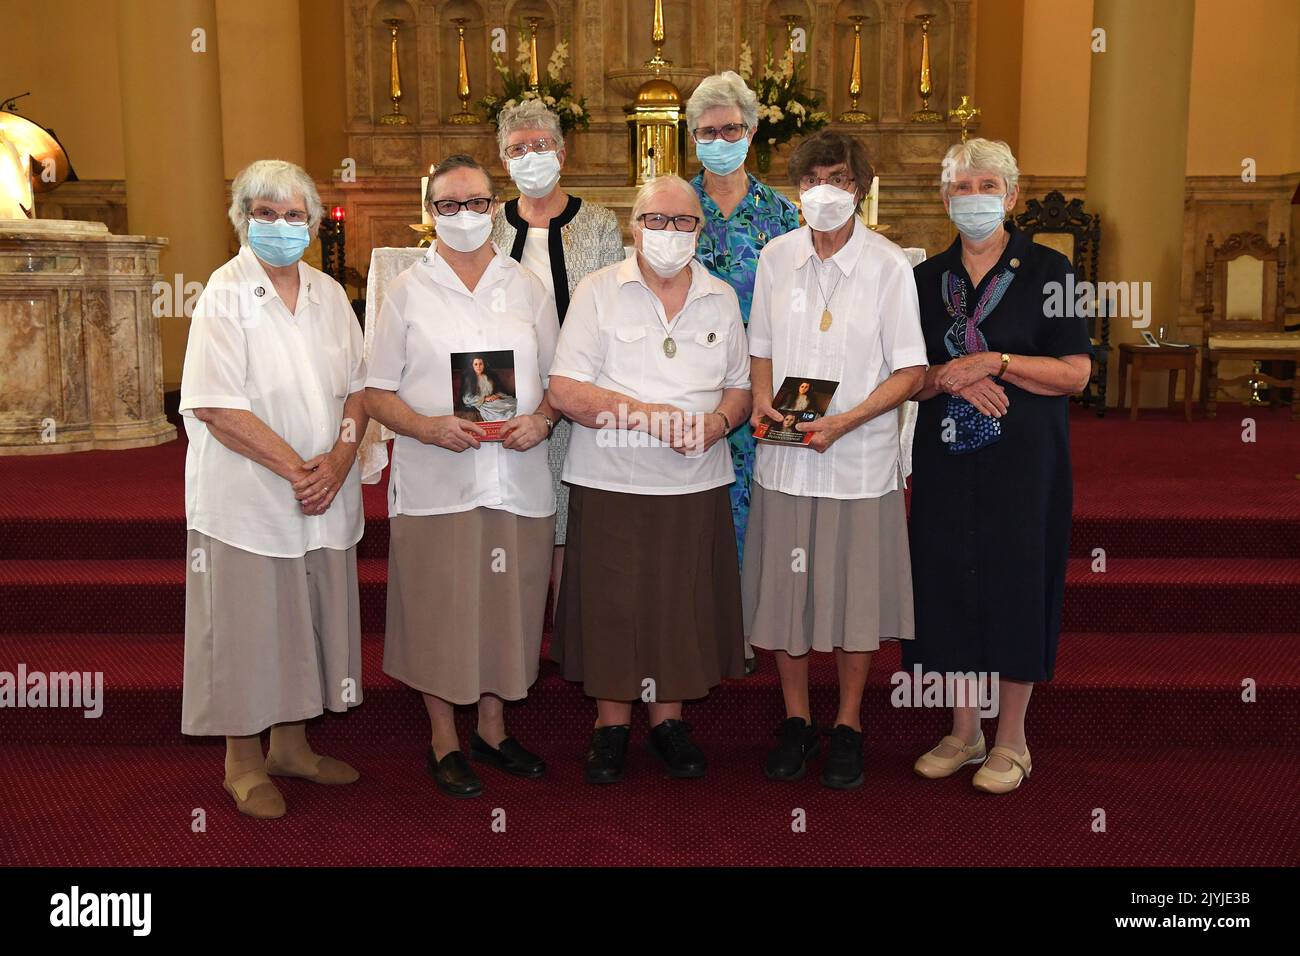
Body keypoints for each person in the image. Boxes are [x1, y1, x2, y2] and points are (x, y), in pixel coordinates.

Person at [364, 154, 560, 799]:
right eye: (449, 205)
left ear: (494, 207)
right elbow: (376, 391)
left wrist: (542, 418)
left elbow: (561, 380)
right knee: (440, 608)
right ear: (431, 213)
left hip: (515, 472)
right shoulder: (406, 292)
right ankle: (444, 738)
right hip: (438, 477)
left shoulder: (527, 286)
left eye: (476, 203)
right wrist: (425, 427)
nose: (465, 216)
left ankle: (495, 731)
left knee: (509, 606)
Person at [179, 159, 368, 819]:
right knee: (250, 625)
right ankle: (243, 762)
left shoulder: (328, 293)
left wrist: (342, 458)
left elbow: (359, 389)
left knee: (308, 617)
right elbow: (216, 406)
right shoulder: (222, 294)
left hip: (324, 488)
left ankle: (292, 746)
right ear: (242, 220)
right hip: (252, 494)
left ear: (312, 224)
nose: (281, 226)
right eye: (266, 213)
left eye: (294, 215)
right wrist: (299, 469)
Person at [547, 175, 751, 783]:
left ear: (700, 230)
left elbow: (740, 389)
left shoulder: (719, 298)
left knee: (679, 602)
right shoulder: (598, 291)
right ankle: (610, 726)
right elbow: (565, 389)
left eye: (684, 222)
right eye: (656, 221)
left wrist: (718, 423)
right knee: (611, 604)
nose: (669, 233)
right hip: (611, 478)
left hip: (695, 481)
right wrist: (651, 418)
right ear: (634, 227)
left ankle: (668, 721)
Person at [906, 138, 1091, 793]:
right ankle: (963, 730)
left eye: (987, 185)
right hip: (945, 458)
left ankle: (1012, 740)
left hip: (1024, 460)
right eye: (961, 186)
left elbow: (1074, 375)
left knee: (1017, 583)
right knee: (949, 582)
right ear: (945, 199)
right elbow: (908, 378)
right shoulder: (926, 281)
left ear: (1011, 196)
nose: (973, 197)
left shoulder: (1051, 273)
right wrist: (949, 376)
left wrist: (998, 362)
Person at [743, 130, 928, 789]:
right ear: (799, 189)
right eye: (815, 178)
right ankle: (797, 718)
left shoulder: (888, 266)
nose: (826, 191)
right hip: (789, 458)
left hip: (857, 460)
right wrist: (764, 400)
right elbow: (758, 345)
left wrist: (844, 423)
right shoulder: (776, 257)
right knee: (789, 597)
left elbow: (910, 369)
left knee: (853, 599)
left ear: (861, 189)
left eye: (841, 180)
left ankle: (848, 720)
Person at [490, 98, 626, 615]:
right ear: (504, 160)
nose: (530, 156)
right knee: (520, 508)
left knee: (572, 511)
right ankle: (522, 622)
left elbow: (613, 303)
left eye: (541, 145)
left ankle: (567, 623)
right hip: (513, 392)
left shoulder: (595, 222)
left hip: (580, 385)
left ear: (562, 153)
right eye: (517, 149)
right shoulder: (491, 223)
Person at [685, 71, 801, 669]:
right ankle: (702, 629)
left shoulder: (783, 215)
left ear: (752, 132)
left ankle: (761, 626)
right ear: (693, 137)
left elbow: (800, 310)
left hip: (766, 392)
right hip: (690, 388)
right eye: (707, 131)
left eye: (730, 128)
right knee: (695, 511)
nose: (719, 139)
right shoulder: (674, 209)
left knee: (765, 508)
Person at [460, 355, 517, 421]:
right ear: (472, 366)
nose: (478, 367)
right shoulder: (469, 379)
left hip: (492, 400)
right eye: (476, 364)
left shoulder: (489, 377)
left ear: (484, 365)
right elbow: (466, 398)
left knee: (512, 404)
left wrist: (495, 396)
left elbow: (498, 390)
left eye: (480, 364)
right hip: (481, 403)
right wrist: (484, 398)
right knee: (502, 408)